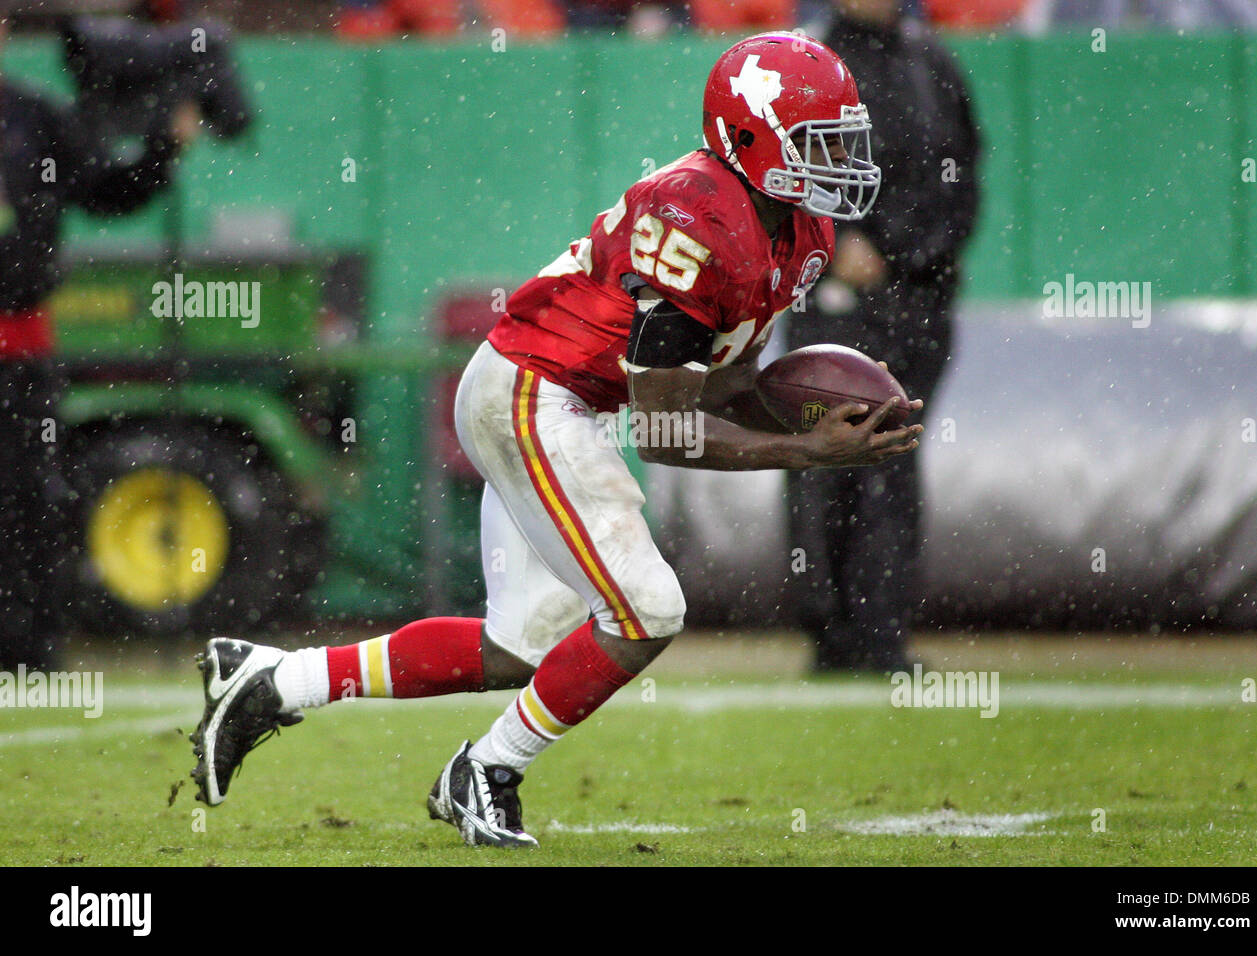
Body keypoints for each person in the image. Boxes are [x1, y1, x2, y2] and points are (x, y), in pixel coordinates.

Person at [190, 31, 924, 849]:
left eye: (842, 141)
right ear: (750, 137)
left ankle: (271, 680)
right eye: (818, 141)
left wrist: (817, 421)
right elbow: (667, 431)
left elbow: (725, 385)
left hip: (569, 402)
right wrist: (804, 452)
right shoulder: (697, 217)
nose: (839, 162)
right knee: (648, 610)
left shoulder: (801, 237)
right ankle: (487, 771)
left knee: (519, 644)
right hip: (535, 393)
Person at [0, 10, 200, 670]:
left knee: (27, 504)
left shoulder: (34, 118)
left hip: (18, 357)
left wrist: (165, 150)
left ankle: (25, 657)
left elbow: (108, 194)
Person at [787, 0, 979, 673]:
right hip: (838, 305)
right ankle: (830, 631)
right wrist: (834, 243)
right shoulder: (808, 65)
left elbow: (965, 173)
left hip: (918, 303)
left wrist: (922, 258)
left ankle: (883, 632)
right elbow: (781, 173)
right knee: (829, 464)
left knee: (893, 467)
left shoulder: (934, 62)